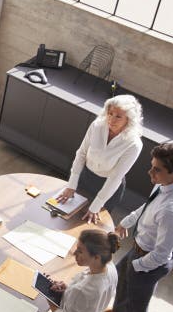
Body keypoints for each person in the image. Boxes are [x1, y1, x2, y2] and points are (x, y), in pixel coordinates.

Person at [93, 142, 173, 312]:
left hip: (149, 260)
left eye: (157, 169)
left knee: (138, 303)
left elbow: (161, 256)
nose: (150, 172)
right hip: (139, 247)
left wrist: (136, 267)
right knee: (121, 278)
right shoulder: (167, 183)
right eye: (152, 165)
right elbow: (150, 204)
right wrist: (127, 221)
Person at [56, 95, 143, 224]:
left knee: (88, 225)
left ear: (129, 120)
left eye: (118, 116)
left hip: (108, 186)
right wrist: (72, 184)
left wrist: (96, 206)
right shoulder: (96, 126)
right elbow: (81, 154)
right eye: (110, 113)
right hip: (84, 177)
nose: (111, 119)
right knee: (65, 219)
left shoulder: (134, 144)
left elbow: (115, 177)